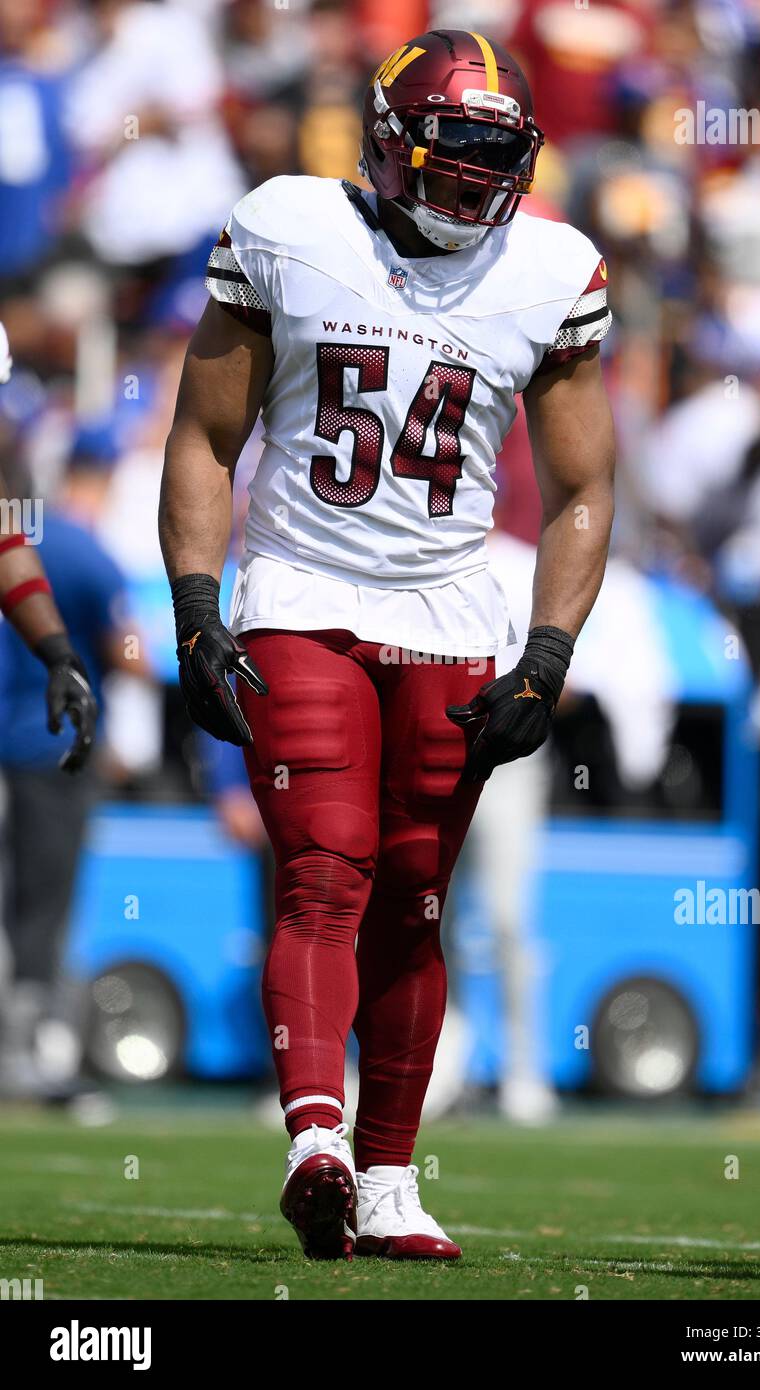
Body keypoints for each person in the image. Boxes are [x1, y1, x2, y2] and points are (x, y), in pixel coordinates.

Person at [159, 29, 615, 1261]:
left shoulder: (552, 269)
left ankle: (391, 1177)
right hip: (302, 588)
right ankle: (316, 1137)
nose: (475, 173)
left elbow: (582, 488)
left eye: (497, 153)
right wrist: (196, 605)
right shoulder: (291, 227)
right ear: (389, 138)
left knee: (415, 904)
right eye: (453, 144)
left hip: (449, 611)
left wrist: (546, 656)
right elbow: (205, 435)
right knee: (323, 871)